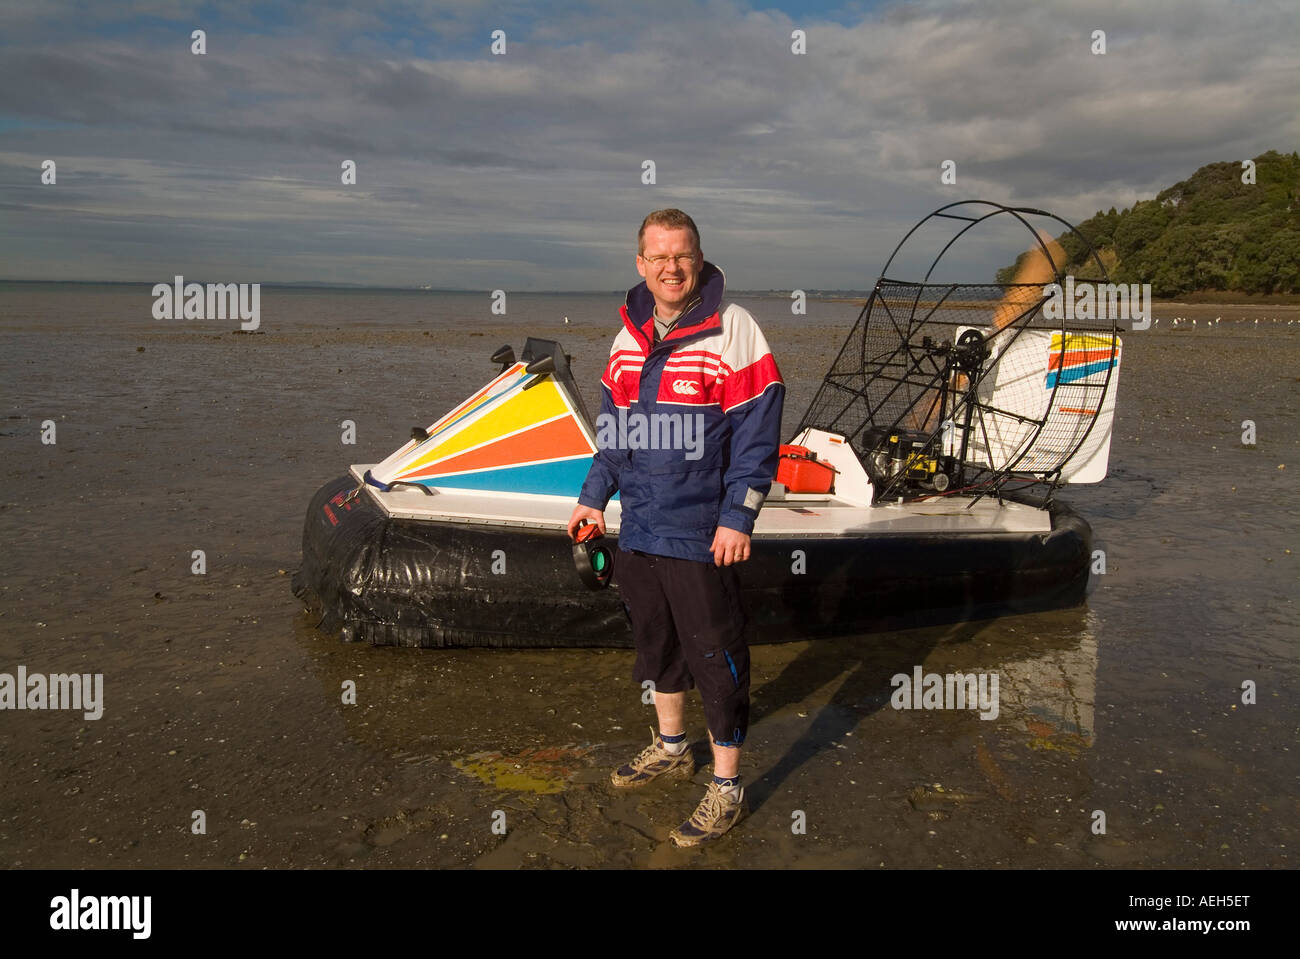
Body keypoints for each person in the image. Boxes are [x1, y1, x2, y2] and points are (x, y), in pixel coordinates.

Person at [567, 209, 784, 846]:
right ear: (640, 264)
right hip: (639, 529)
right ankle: (669, 746)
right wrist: (591, 500)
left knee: (716, 656)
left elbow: (757, 433)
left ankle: (726, 787)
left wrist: (738, 516)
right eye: (658, 257)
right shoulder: (626, 339)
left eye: (681, 255)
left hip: (700, 533)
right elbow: (615, 436)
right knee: (655, 647)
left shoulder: (734, 329)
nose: (671, 267)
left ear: (699, 257)